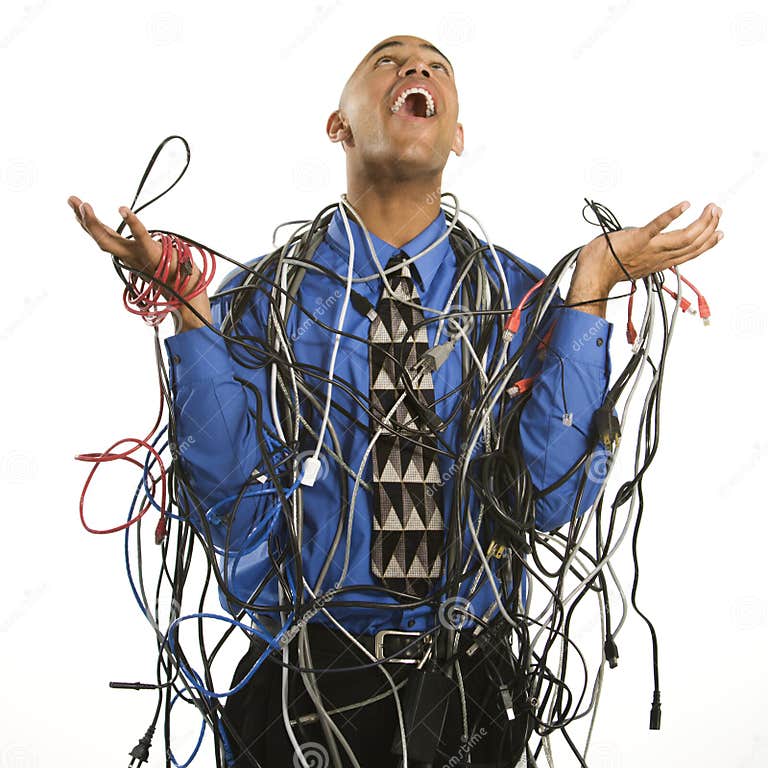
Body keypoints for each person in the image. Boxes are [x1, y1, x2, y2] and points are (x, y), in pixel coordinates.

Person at [68, 33, 723, 768]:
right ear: (338, 125)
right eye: (388, 60)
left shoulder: (521, 299)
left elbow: (547, 499)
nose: (417, 68)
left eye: (437, 66)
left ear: (459, 135)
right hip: (297, 686)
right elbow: (228, 502)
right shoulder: (261, 300)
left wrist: (592, 289)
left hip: (464, 692)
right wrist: (190, 314)